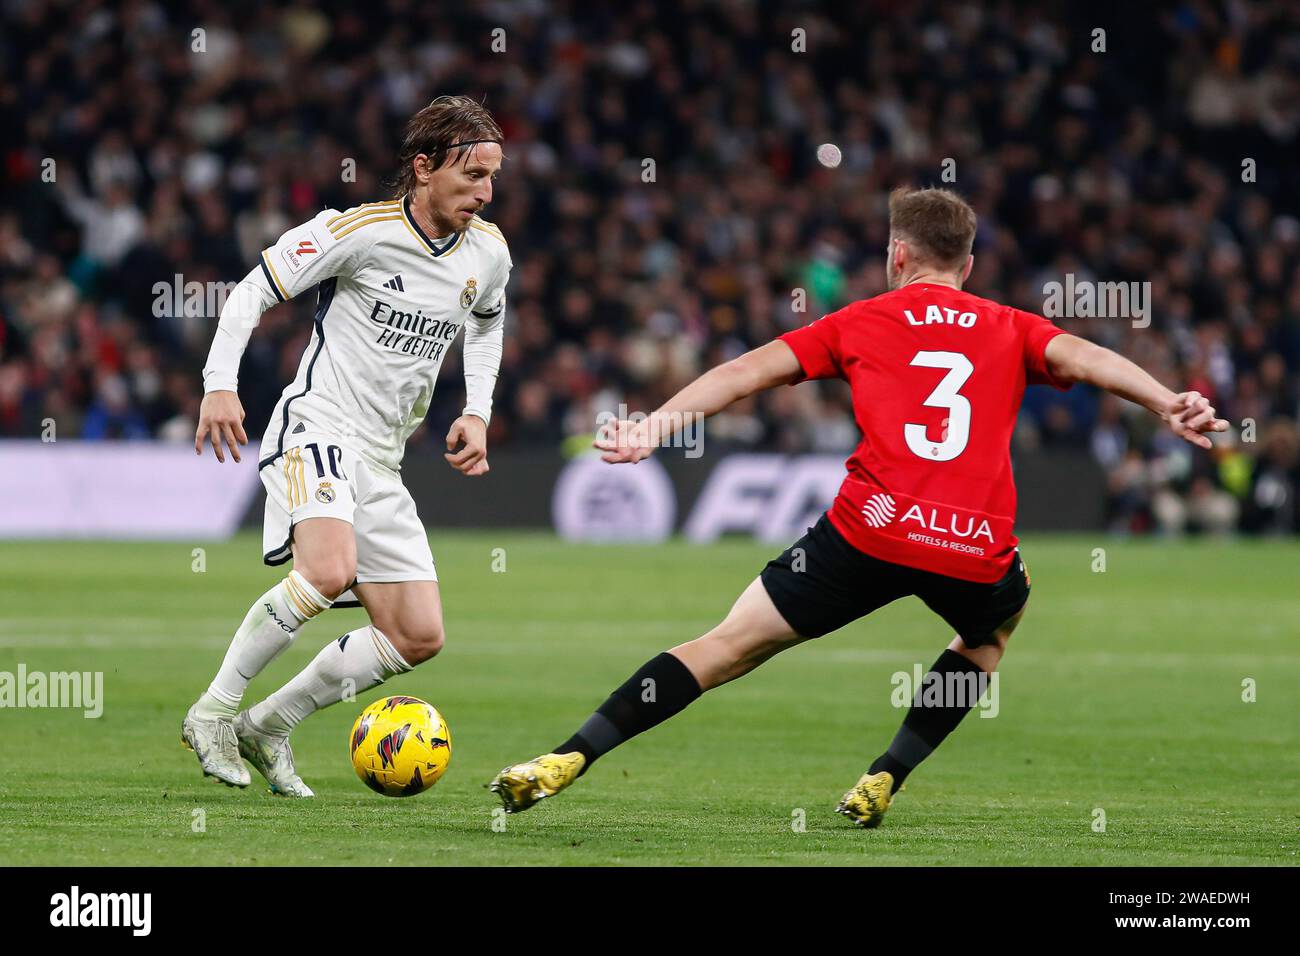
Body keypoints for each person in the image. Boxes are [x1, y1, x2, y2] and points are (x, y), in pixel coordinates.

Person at [490, 187, 1226, 827]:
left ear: (896, 255)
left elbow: (747, 372)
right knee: (995, 625)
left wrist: (654, 427)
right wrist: (1166, 401)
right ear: (967, 266)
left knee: (723, 648)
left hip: (867, 532)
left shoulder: (860, 321)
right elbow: (1087, 358)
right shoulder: (1011, 326)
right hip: (971, 545)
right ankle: (888, 773)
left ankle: (566, 757)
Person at [183, 96, 512, 797]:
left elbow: (487, 322)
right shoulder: (358, 231)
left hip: (383, 460)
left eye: (491, 178)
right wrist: (218, 385)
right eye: (470, 176)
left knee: (418, 635)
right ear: (422, 168)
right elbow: (252, 291)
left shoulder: (488, 252)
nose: (483, 194)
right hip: (319, 425)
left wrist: (477, 411)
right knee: (329, 570)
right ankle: (212, 713)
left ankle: (268, 724)